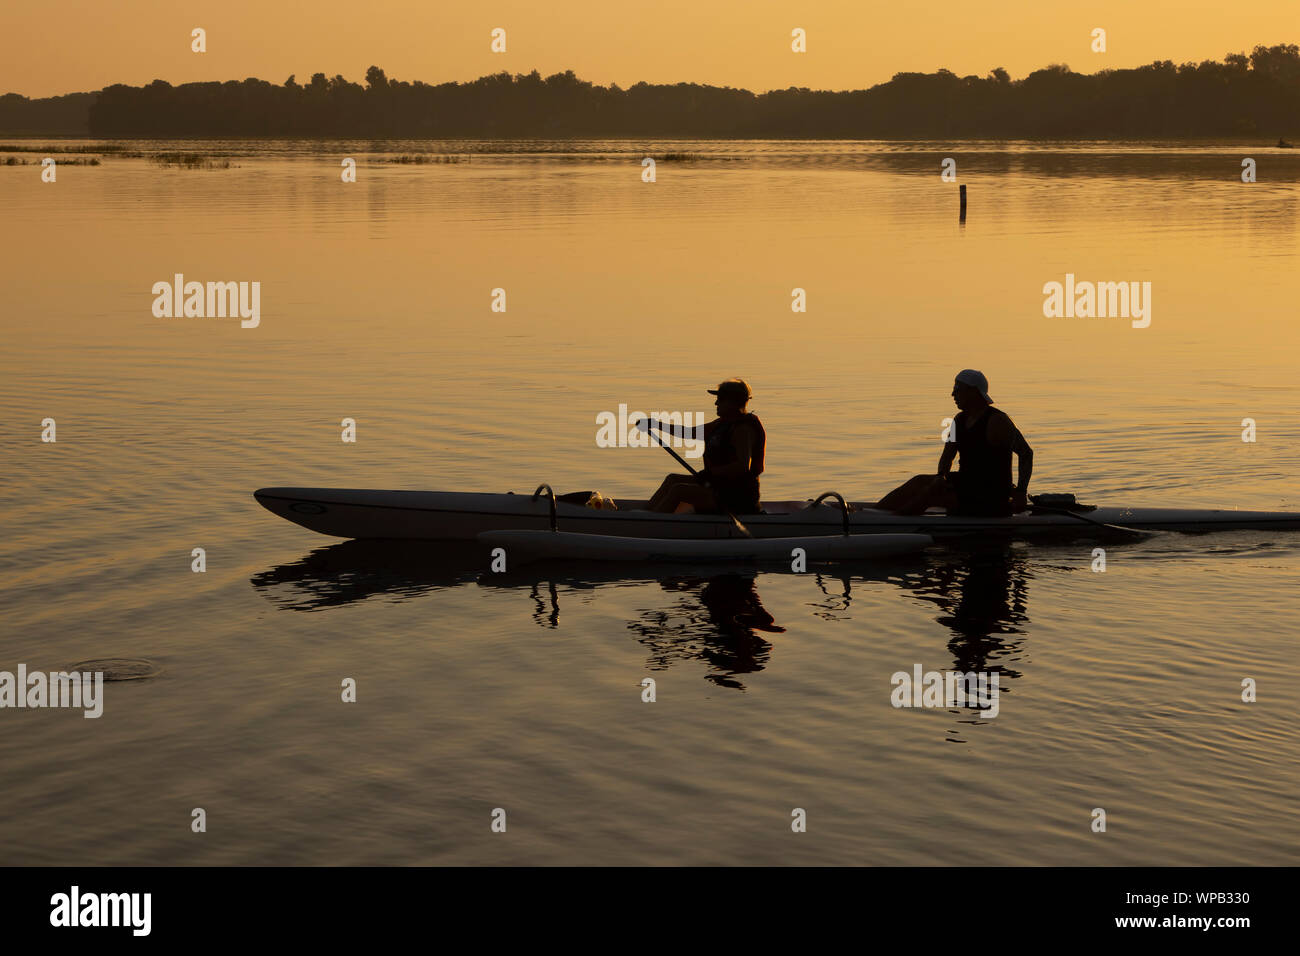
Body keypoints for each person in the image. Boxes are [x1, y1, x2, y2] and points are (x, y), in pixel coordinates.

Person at [874, 370, 1033, 516]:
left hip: (990, 495)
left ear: (973, 392)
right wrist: (940, 476)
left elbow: (1026, 453)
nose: (952, 394)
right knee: (919, 481)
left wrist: (1020, 492)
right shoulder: (958, 420)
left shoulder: (997, 421)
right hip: (966, 485)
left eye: (957, 389)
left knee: (933, 491)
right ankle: (873, 513)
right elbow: (947, 456)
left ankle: (892, 522)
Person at [639, 379, 765, 514]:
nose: (716, 403)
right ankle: (644, 514)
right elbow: (688, 432)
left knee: (678, 490)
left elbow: (742, 466)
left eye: (720, 399)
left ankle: (650, 523)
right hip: (719, 487)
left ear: (733, 402)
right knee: (673, 479)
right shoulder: (721, 424)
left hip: (736, 497)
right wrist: (655, 424)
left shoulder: (743, 429)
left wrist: (710, 473)